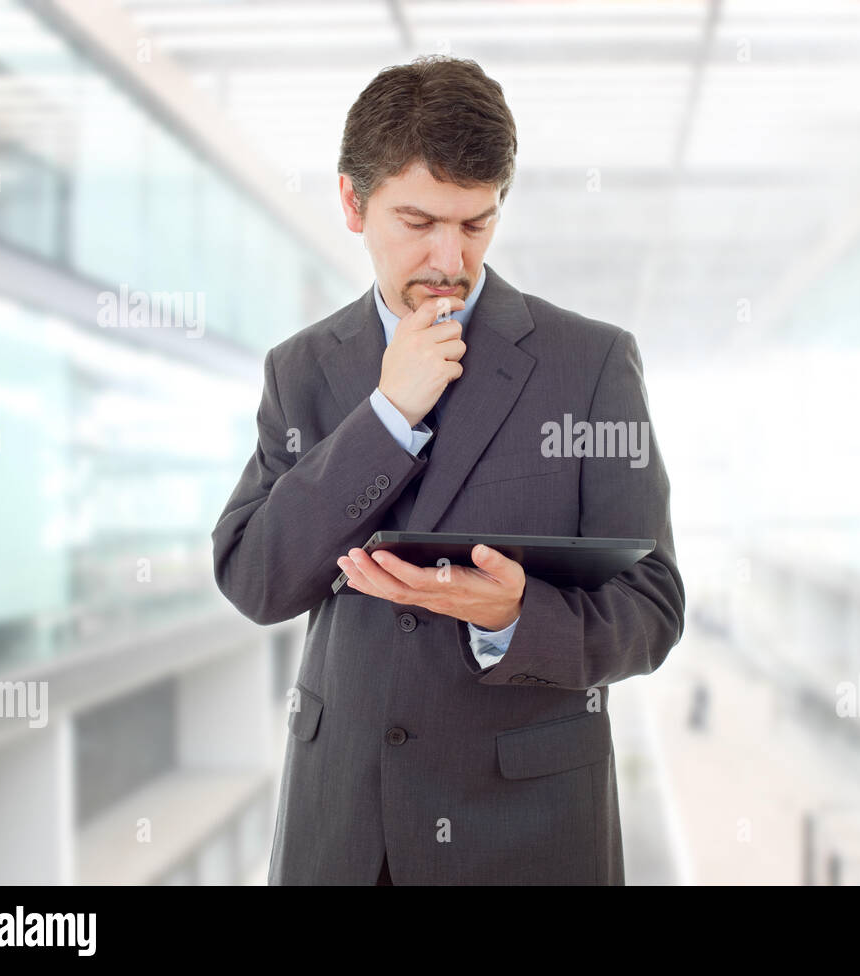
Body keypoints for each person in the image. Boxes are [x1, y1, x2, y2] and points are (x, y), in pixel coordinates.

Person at [211, 55, 685, 884]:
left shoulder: (592, 364)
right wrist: (385, 418)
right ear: (353, 204)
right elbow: (257, 580)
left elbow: (654, 606)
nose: (449, 259)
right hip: (345, 828)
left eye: (475, 224)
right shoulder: (303, 369)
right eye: (419, 220)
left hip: (527, 832)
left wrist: (514, 616)